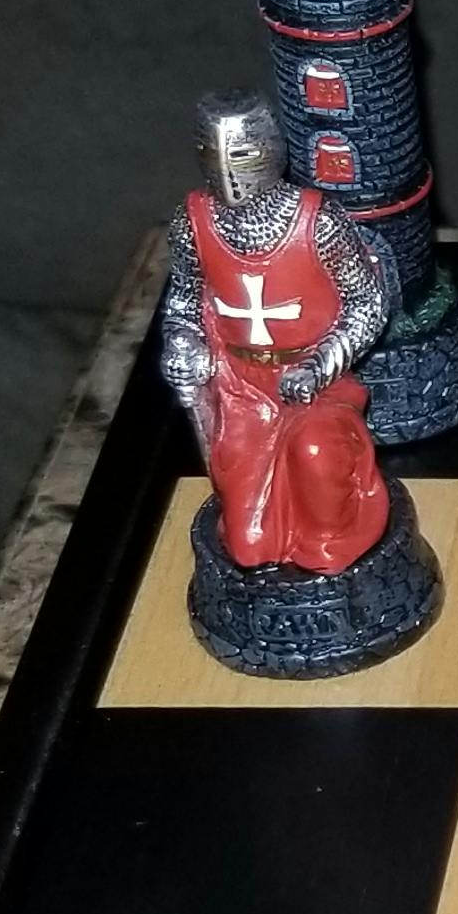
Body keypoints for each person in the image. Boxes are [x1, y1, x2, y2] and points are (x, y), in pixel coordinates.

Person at [159, 93, 393, 572]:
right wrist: (182, 341)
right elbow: (184, 298)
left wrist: (320, 365)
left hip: (316, 386)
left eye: (242, 154)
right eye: (212, 153)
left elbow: (367, 302)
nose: (229, 171)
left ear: (270, 149)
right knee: (248, 546)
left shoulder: (319, 222)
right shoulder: (193, 222)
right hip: (240, 390)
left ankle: (336, 535)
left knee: (317, 464)